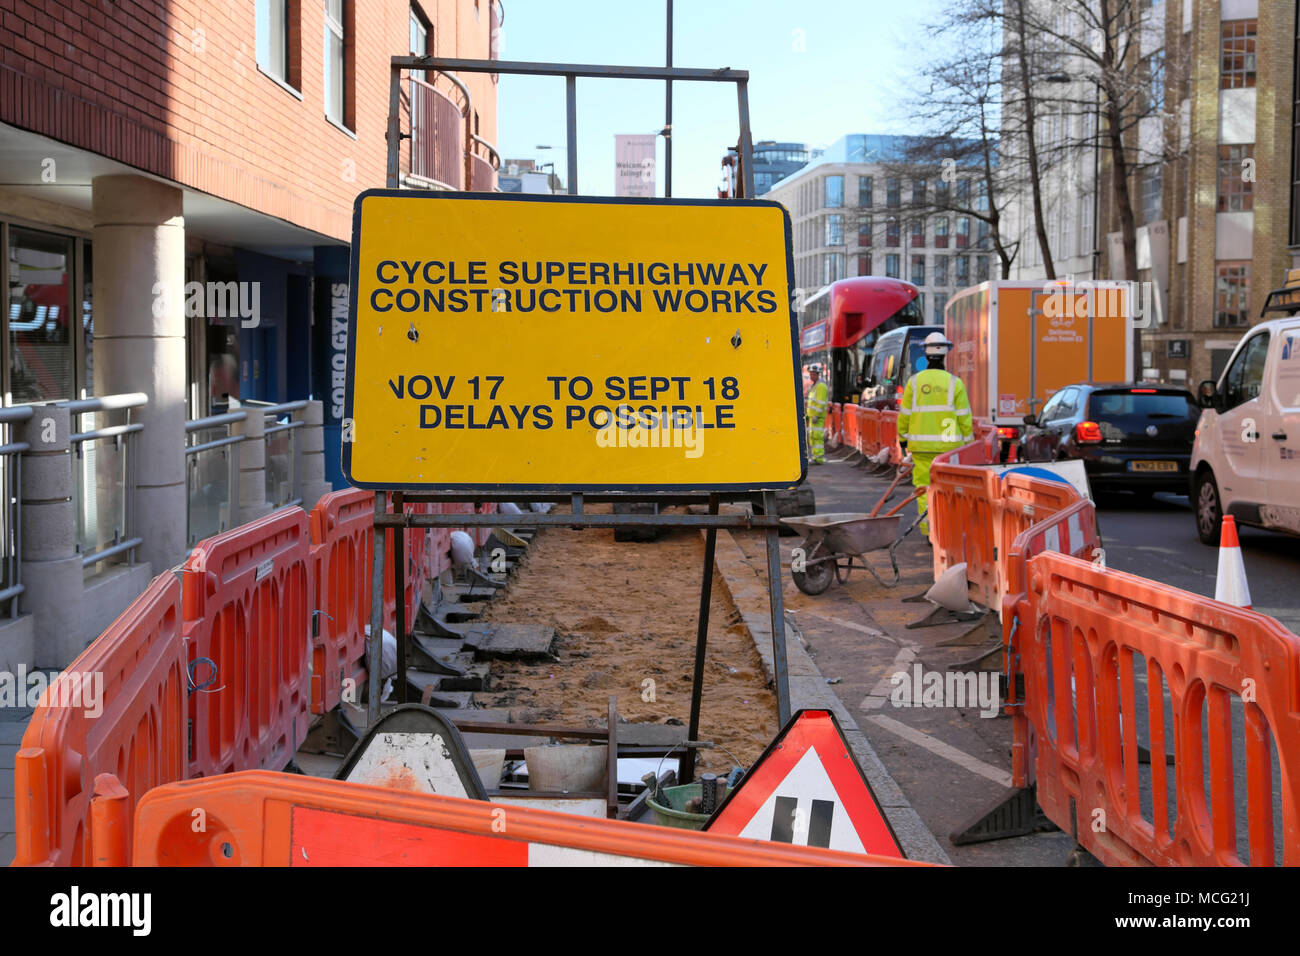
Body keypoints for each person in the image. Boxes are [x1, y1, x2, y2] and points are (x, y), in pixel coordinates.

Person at [896, 332, 973, 535]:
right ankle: (946, 530)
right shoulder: (955, 384)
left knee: (924, 490)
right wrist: (969, 445)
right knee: (947, 490)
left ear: (927, 354)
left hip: (921, 449)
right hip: (948, 448)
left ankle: (930, 531)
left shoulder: (914, 382)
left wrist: (903, 439)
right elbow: (964, 419)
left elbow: (904, 416)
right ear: (945, 354)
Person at [805, 364, 829, 465]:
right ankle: (815, 456)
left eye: (813, 374)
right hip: (812, 417)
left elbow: (821, 403)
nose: (811, 376)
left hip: (817, 417)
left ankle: (819, 458)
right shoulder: (814, 386)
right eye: (810, 374)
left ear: (817, 374)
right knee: (812, 436)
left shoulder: (821, 386)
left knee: (817, 437)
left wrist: (816, 415)